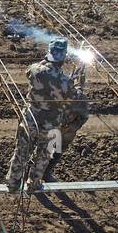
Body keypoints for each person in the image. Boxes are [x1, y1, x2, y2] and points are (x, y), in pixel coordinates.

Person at [5, 39, 86, 192]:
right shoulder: (65, 82)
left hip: (31, 119)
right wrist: (76, 83)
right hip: (52, 124)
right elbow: (73, 97)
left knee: (21, 152)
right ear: (63, 56)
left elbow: (30, 72)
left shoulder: (35, 70)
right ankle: (34, 183)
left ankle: (13, 182)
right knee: (44, 155)